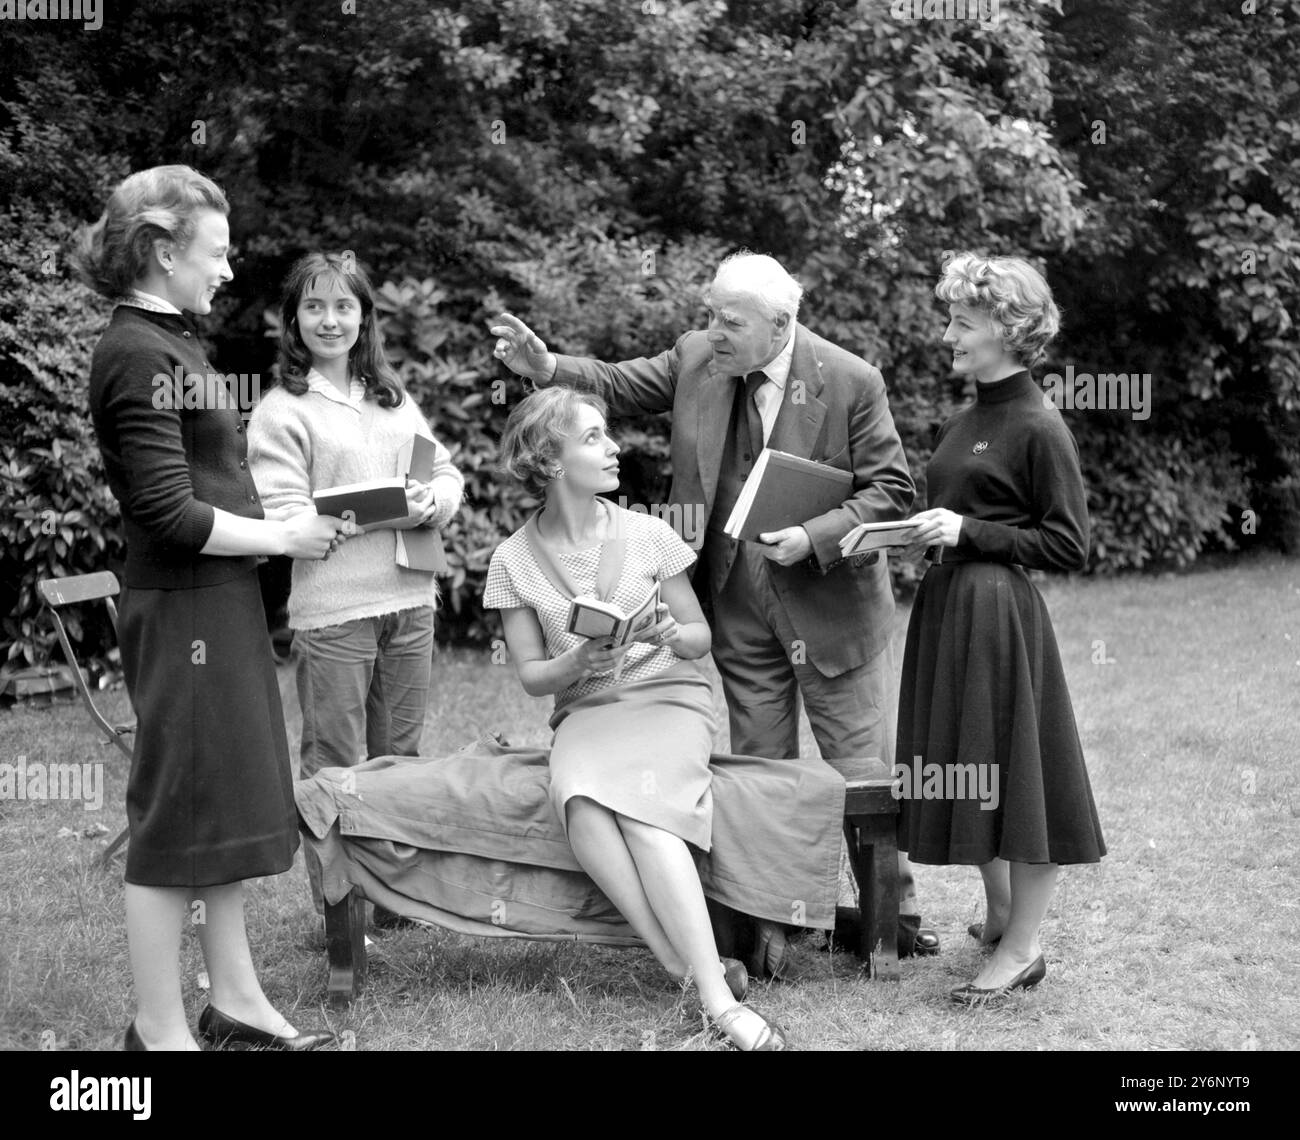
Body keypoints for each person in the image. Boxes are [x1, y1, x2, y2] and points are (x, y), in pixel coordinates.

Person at [489, 251, 938, 973]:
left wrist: (815, 536)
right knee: (759, 772)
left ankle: (895, 916)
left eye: (730, 321)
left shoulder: (852, 380)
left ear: (780, 324)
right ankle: (776, 922)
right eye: (711, 316)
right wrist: (546, 370)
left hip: (830, 607)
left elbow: (890, 488)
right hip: (733, 604)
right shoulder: (699, 358)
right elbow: (613, 382)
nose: (713, 331)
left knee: (858, 766)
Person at [75, 165, 345, 1050]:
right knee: (174, 818)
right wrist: (284, 542)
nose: (228, 271)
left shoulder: (176, 342)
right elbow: (168, 513)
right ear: (160, 251)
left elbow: (213, 484)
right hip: (183, 609)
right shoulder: (135, 352)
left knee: (221, 808)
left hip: (219, 607)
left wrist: (287, 525)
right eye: (216, 253)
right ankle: (158, 1031)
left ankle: (237, 1004)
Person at [485, 386, 792, 1049]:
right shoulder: (512, 560)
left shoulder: (650, 533)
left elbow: (700, 638)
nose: (613, 446)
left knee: (643, 814)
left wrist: (663, 634)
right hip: (587, 715)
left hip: (667, 699)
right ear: (550, 459)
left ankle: (715, 1000)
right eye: (593, 437)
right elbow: (534, 676)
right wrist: (582, 660)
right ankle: (688, 971)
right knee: (584, 803)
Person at [896, 251, 1106, 1004]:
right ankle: (1001, 915)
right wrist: (927, 532)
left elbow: (1069, 544)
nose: (948, 333)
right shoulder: (966, 417)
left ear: (1008, 332)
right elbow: (966, 517)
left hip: (999, 618)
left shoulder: (1038, 424)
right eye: (951, 317)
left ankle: (1022, 948)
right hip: (949, 608)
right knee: (968, 760)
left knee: (1020, 777)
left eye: (963, 322)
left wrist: (969, 531)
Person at [247, 253, 464, 924]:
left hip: (409, 600)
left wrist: (434, 499)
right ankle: (342, 910)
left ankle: (396, 900)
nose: (330, 319)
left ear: (365, 317)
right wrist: (320, 518)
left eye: (345, 306)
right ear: (295, 320)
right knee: (335, 764)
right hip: (335, 611)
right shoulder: (283, 408)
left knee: (399, 759)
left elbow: (445, 471)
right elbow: (278, 511)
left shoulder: (393, 398)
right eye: (315, 307)